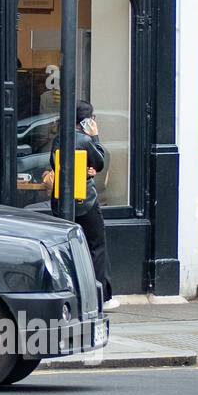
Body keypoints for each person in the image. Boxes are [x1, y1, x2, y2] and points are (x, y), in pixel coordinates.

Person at [41, 100, 118, 311]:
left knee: (65, 247)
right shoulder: (85, 139)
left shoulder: (59, 139)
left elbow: (55, 163)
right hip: (86, 201)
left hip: (62, 201)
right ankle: (102, 296)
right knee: (96, 246)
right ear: (86, 121)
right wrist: (95, 136)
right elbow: (100, 161)